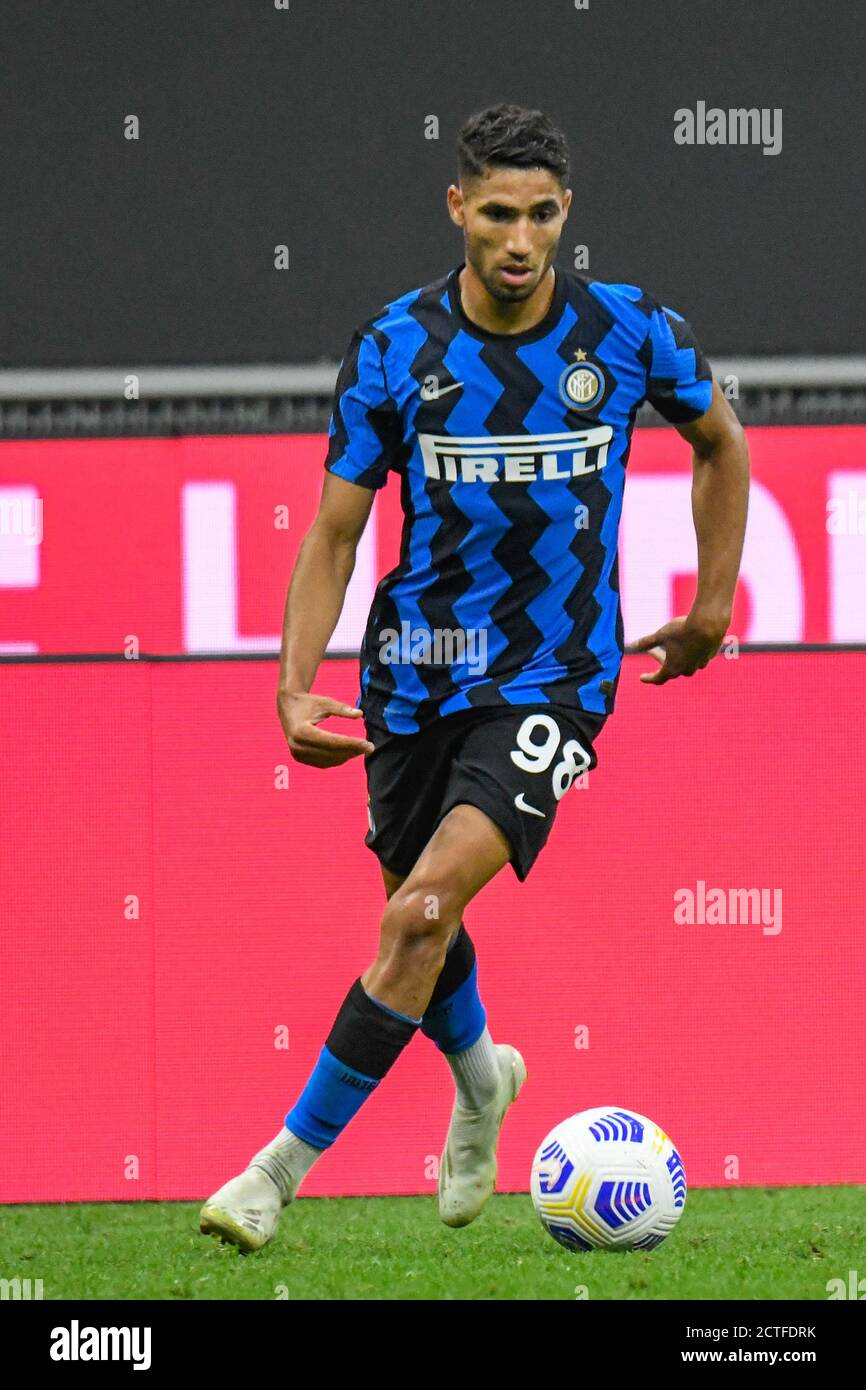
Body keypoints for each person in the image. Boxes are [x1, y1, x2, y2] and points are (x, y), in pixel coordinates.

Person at [200, 102, 749, 1252]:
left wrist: (708, 604)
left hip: (553, 678)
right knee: (418, 917)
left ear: (564, 216)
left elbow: (720, 441)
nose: (516, 238)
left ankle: (275, 1170)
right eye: (495, 212)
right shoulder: (396, 346)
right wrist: (293, 685)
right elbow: (337, 532)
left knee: (419, 910)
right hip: (412, 675)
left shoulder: (629, 330)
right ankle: (481, 1077)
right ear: (457, 208)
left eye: (539, 214)